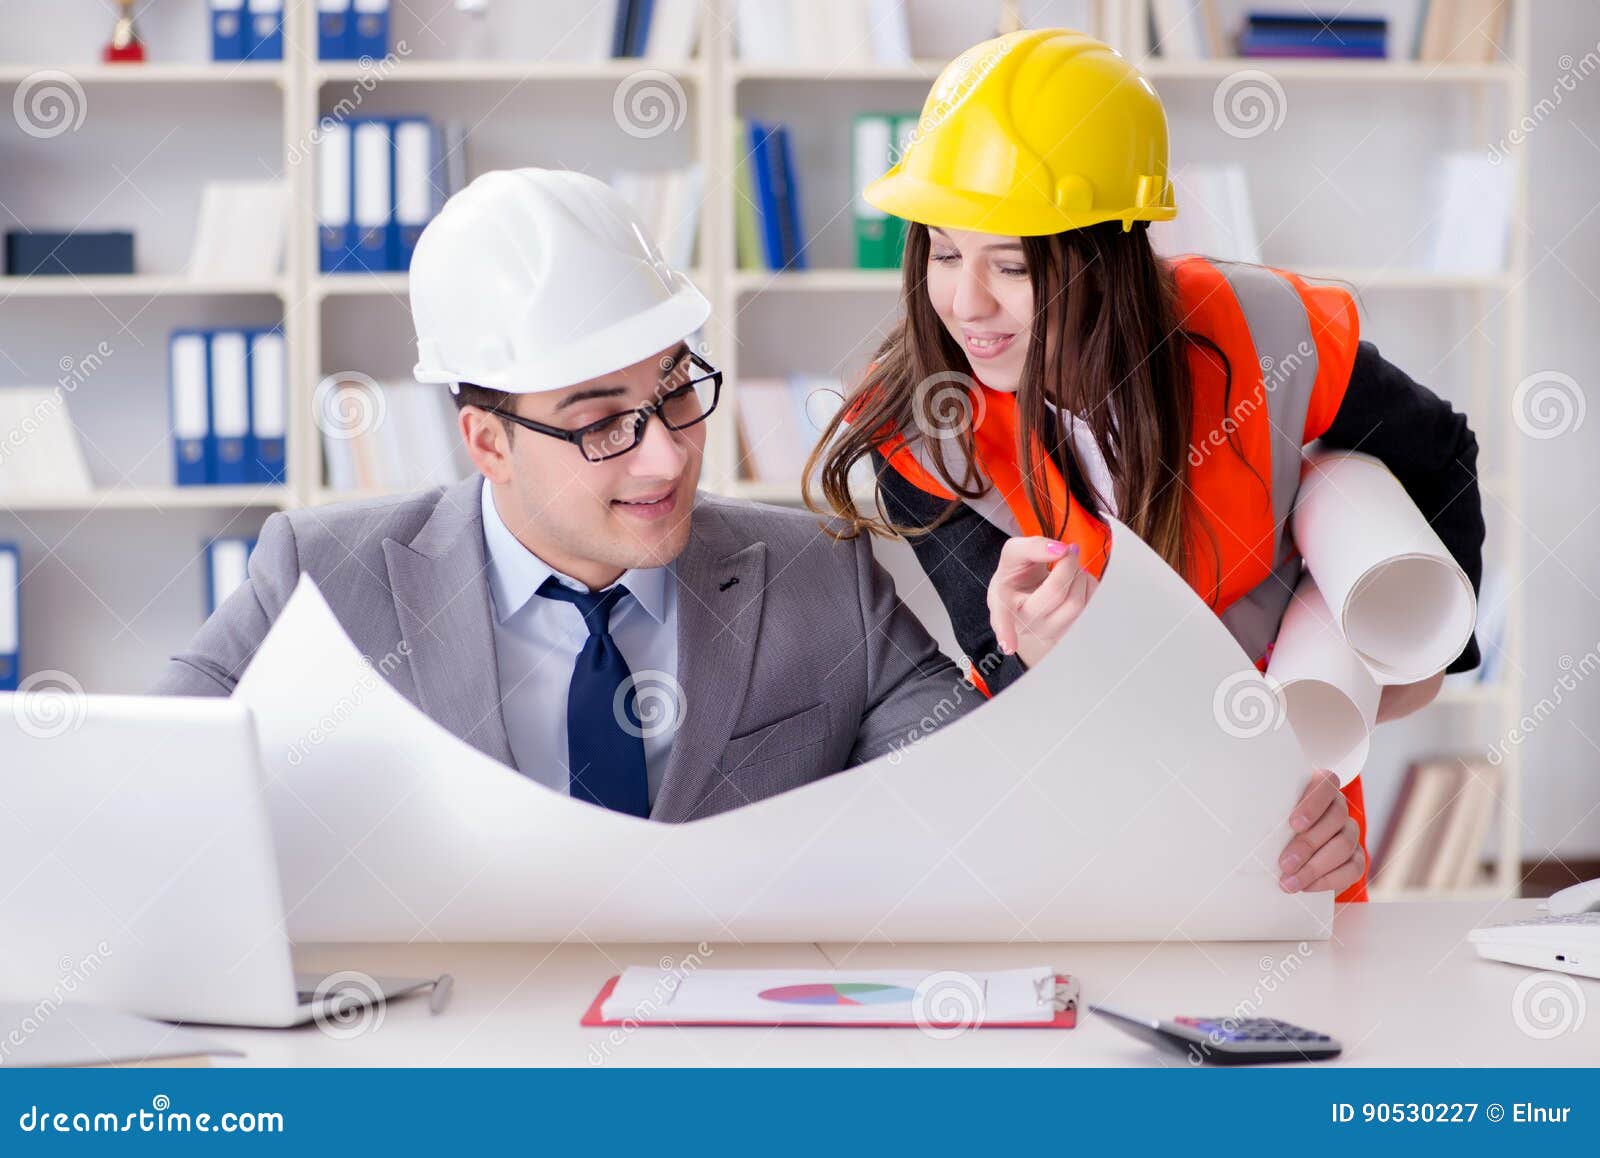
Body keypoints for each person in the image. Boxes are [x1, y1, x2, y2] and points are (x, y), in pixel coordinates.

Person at [808, 30, 1486, 901]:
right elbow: (1005, 694)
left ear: (1107, 254)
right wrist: (1052, 662)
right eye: (943, 253)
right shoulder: (921, 433)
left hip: (1292, 828)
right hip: (1088, 844)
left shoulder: (1261, 332)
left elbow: (1442, 456)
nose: (965, 304)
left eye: (1010, 264)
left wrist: (1407, 671)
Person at [155, 168, 979, 822]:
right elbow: (143, 786)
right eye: (602, 424)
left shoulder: (820, 575)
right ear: (488, 442)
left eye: (678, 391)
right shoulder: (321, 580)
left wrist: (1036, 654)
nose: (667, 457)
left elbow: (978, 792)